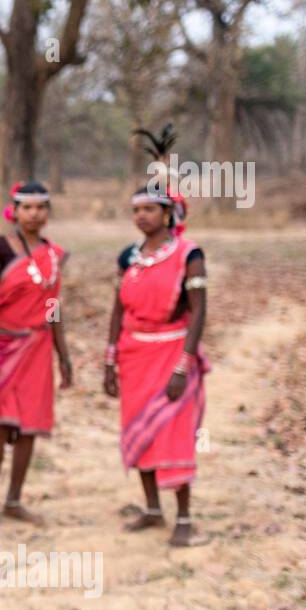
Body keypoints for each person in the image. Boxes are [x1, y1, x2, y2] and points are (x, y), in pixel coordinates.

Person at [104, 175, 209, 547]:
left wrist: (184, 365)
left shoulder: (188, 254)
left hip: (171, 353)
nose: (141, 216)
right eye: (136, 210)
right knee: (140, 431)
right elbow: (117, 310)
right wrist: (110, 359)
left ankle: (183, 516)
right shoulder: (128, 257)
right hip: (134, 356)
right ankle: (151, 509)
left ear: (167, 213)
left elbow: (198, 313)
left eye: (149, 209)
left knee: (174, 434)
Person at [0, 181, 73, 525]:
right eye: (27, 207)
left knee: (30, 427)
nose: (34, 214)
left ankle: (14, 499)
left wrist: (64, 354)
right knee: (0, 425)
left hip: (39, 350)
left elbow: (53, 308)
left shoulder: (54, 254)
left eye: (41, 207)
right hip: (1, 349)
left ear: (48, 212)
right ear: (13, 211)